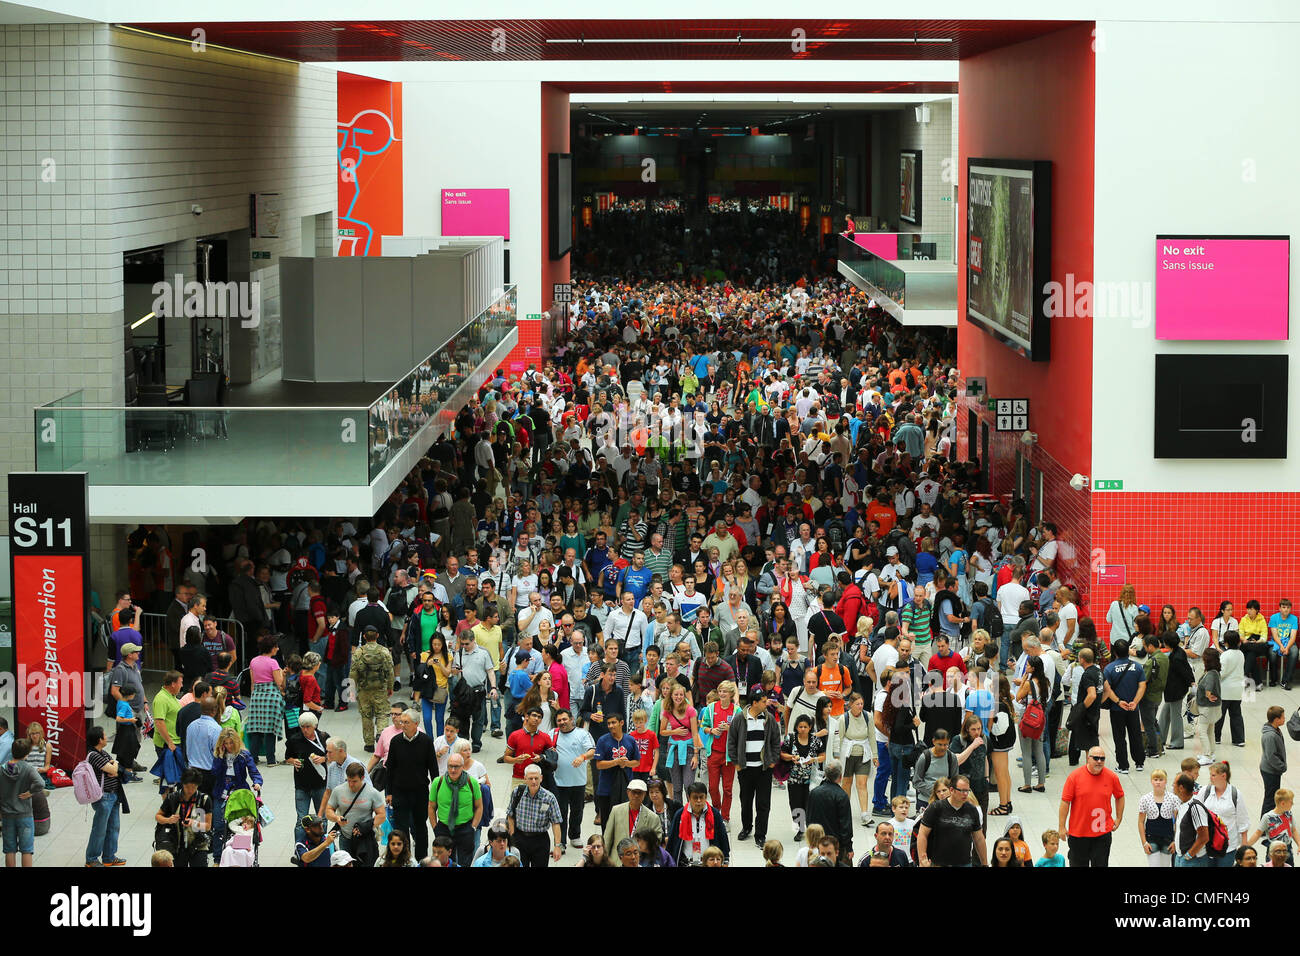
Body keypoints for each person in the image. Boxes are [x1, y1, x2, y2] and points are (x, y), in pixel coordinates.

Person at [726, 683, 781, 848]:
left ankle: (760, 834)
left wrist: (773, 760)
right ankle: (747, 827)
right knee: (746, 801)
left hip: (764, 769)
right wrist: (736, 763)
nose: (767, 704)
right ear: (755, 702)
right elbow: (732, 742)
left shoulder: (769, 719)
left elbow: (776, 742)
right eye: (764, 701)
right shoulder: (740, 719)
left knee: (763, 803)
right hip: (745, 768)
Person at [1058, 745, 1125, 867]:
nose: (1099, 761)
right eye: (1096, 758)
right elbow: (1065, 802)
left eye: (1102, 759)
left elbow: (1120, 796)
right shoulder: (1074, 777)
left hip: (1102, 834)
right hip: (1079, 834)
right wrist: (1061, 826)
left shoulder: (1111, 777)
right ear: (1088, 758)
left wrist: (1119, 818)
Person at [385, 708, 437, 861]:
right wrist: (389, 792)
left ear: (416, 723)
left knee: (420, 826)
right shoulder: (395, 741)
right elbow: (390, 769)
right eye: (402, 722)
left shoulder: (426, 741)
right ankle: (404, 859)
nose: (403, 725)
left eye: (406, 722)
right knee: (401, 828)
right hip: (400, 791)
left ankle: (422, 859)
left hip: (420, 792)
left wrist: (435, 792)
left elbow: (433, 768)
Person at [916, 774, 986, 867]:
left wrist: (985, 864)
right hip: (939, 863)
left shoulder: (972, 810)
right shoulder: (936, 807)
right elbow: (922, 834)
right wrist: (922, 859)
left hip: (964, 863)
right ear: (952, 790)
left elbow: (979, 839)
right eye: (962, 790)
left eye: (967, 790)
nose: (965, 794)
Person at [427, 752, 483, 867]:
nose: (453, 770)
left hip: (465, 828)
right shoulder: (438, 782)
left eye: (456, 766)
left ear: (462, 767)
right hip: (444, 828)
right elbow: (431, 807)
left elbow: (479, 807)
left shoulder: (471, 783)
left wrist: (473, 827)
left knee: (465, 862)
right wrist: (435, 827)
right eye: (450, 766)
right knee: (444, 862)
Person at [505, 764, 564, 867]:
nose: (533, 781)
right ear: (525, 779)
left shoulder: (549, 798)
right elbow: (510, 815)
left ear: (541, 778)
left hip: (540, 840)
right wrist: (512, 837)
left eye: (536, 778)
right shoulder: (517, 792)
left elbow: (556, 823)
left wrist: (557, 846)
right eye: (530, 778)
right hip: (520, 839)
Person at [552, 708, 595, 848]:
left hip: (579, 781)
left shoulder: (582, 734)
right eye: (559, 720)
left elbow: (593, 751)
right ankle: (561, 841)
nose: (562, 722)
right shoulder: (553, 733)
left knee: (577, 811)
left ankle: (575, 835)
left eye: (564, 719)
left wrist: (582, 757)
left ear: (571, 719)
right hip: (559, 782)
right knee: (561, 813)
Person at [154, 767, 213, 868]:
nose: (190, 790)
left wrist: (195, 823)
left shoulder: (204, 800)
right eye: (187, 787)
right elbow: (158, 816)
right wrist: (169, 820)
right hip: (177, 844)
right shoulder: (173, 798)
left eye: (194, 787)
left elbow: (207, 826)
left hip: (198, 844)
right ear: (183, 784)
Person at [352, 626, 395, 752]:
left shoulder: (359, 653)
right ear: (377, 635)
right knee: (382, 713)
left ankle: (369, 743)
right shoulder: (384, 651)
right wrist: (390, 687)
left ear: (364, 636)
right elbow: (390, 671)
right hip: (380, 689)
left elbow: (353, 673)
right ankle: (381, 734)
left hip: (364, 690)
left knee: (366, 716)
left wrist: (350, 692)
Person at [666, 781, 730, 866]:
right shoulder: (680, 815)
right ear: (689, 798)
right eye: (695, 797)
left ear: (706, 797)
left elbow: (723, 838)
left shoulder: (715, 814)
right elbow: (672, 840)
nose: (698, 801)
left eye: (701, 797)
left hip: (708, 863)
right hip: (686, 863)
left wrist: (725, 860)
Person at [1, 739, 42, 868]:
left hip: (7, 815)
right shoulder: (28, 768)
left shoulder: (2, 768)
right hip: (25, 815)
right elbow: (40, 783)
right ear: (27, 753)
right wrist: (30, 792)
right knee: (26, 850)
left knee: (9, 850)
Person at [1201, 760, 1249, 868]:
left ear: (1223, 776)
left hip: (1228, 846)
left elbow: (1243, 820)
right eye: (1210, 775)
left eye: (1213, 775)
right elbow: (1197, 814)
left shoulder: (1235, 794)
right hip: (1207, 844)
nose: (1210, 778)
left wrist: (1244, 845)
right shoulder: (1205, 791)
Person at [806, 761, 854, 859]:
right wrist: (848, 847)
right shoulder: (842, 796)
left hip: (816, 843)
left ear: (825, 774)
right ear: (840, 777)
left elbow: (808, 819)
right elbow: (846, 826)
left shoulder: (814, 793)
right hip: (835, 846)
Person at [1136, 769, 1178, 867]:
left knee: (1165, 864)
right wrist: (1144, 842)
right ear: (1151, 781)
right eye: (1155, 779)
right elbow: (1141, 822)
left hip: (1168, 838)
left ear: (1166, 781)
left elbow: (1177, 822)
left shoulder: (1173, 799)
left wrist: (1175, 840)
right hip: (1151, 838)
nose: (1158, 782)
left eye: (1161, 779)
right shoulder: (1145, 799)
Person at [1172, 772, 1211, 867]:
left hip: (1193, 860)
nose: (1172, 786)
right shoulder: (1182, 804)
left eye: (1174, 784)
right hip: (1181, 857)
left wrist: (1189, 855)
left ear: (1181, 788)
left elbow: (1204, 837)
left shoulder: (1195, 807)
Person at [1195, 646, 1222, 766]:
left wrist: (1208, 695)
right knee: (1210, 731)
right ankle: (1211, 753)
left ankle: (1207, 755)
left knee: (1202, 731)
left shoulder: (1211, 674)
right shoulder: (1215, 672)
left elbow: (1208, 689)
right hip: (1214, 707)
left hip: (1207, 707)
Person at [1260, 705, 1288, 816]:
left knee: (1272, 797)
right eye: (1283, 717)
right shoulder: (1270, 735)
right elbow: (1271, 756)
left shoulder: (1275, 730)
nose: (1284, 719)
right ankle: (1264, 825)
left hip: (1274, 770)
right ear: (1276, 720)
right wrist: (1282, 766)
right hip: (1270, 770)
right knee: (1270, 799)